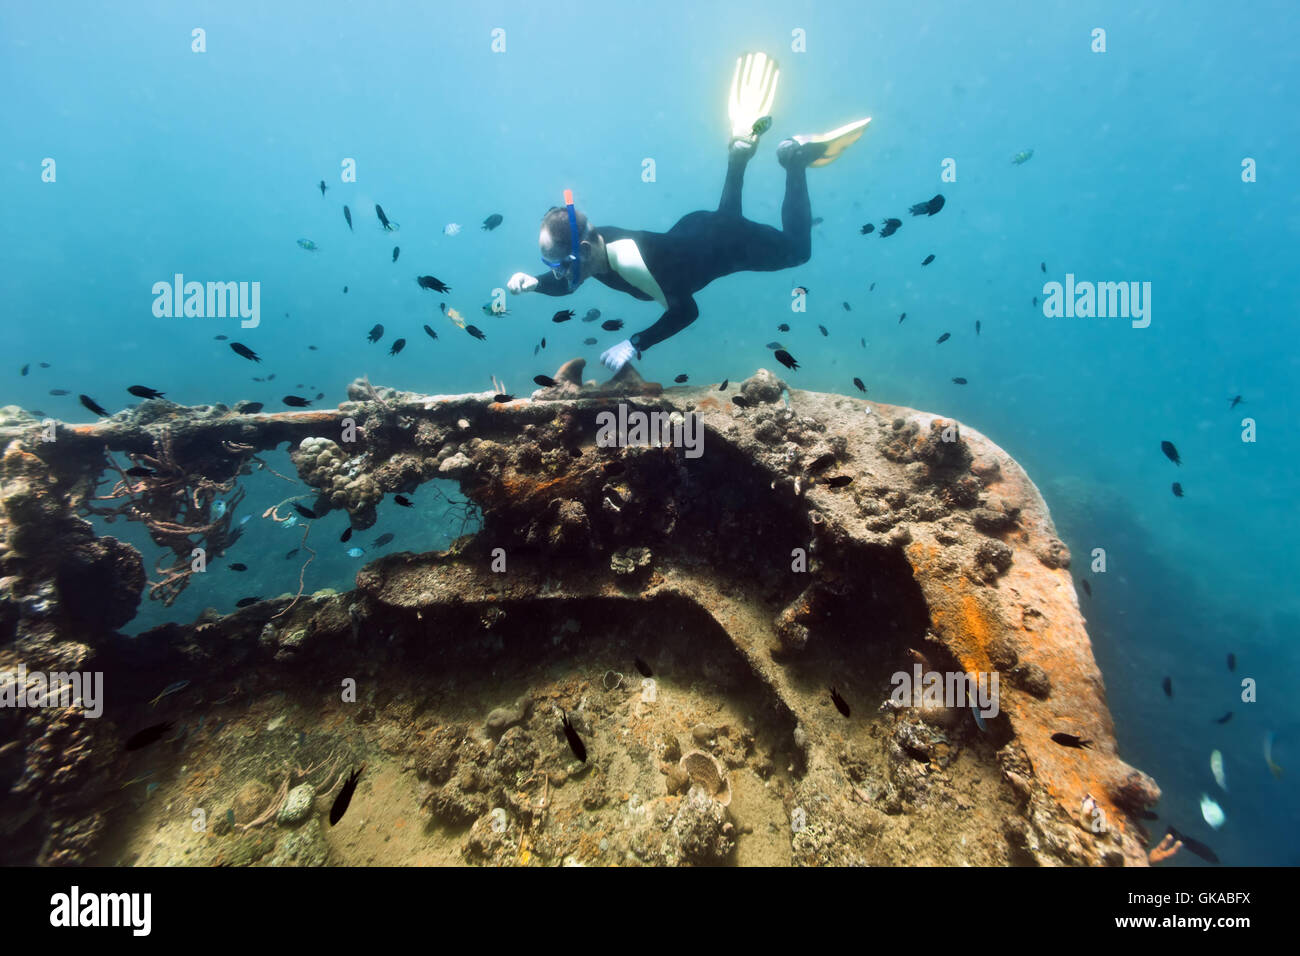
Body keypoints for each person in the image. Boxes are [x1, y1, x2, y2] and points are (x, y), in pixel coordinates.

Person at [506, 52, 870, 372]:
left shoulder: (629, 263)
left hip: (723, 243)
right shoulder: (592, 247)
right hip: (695, 234)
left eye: (560, 265)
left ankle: (794, 161)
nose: (561, 274)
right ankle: (739, 154)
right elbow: (567, 283)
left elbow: (685, 312)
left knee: (797, 253)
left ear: (584, 251)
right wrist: (535, 282)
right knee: (723, 220)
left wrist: (635, 343)